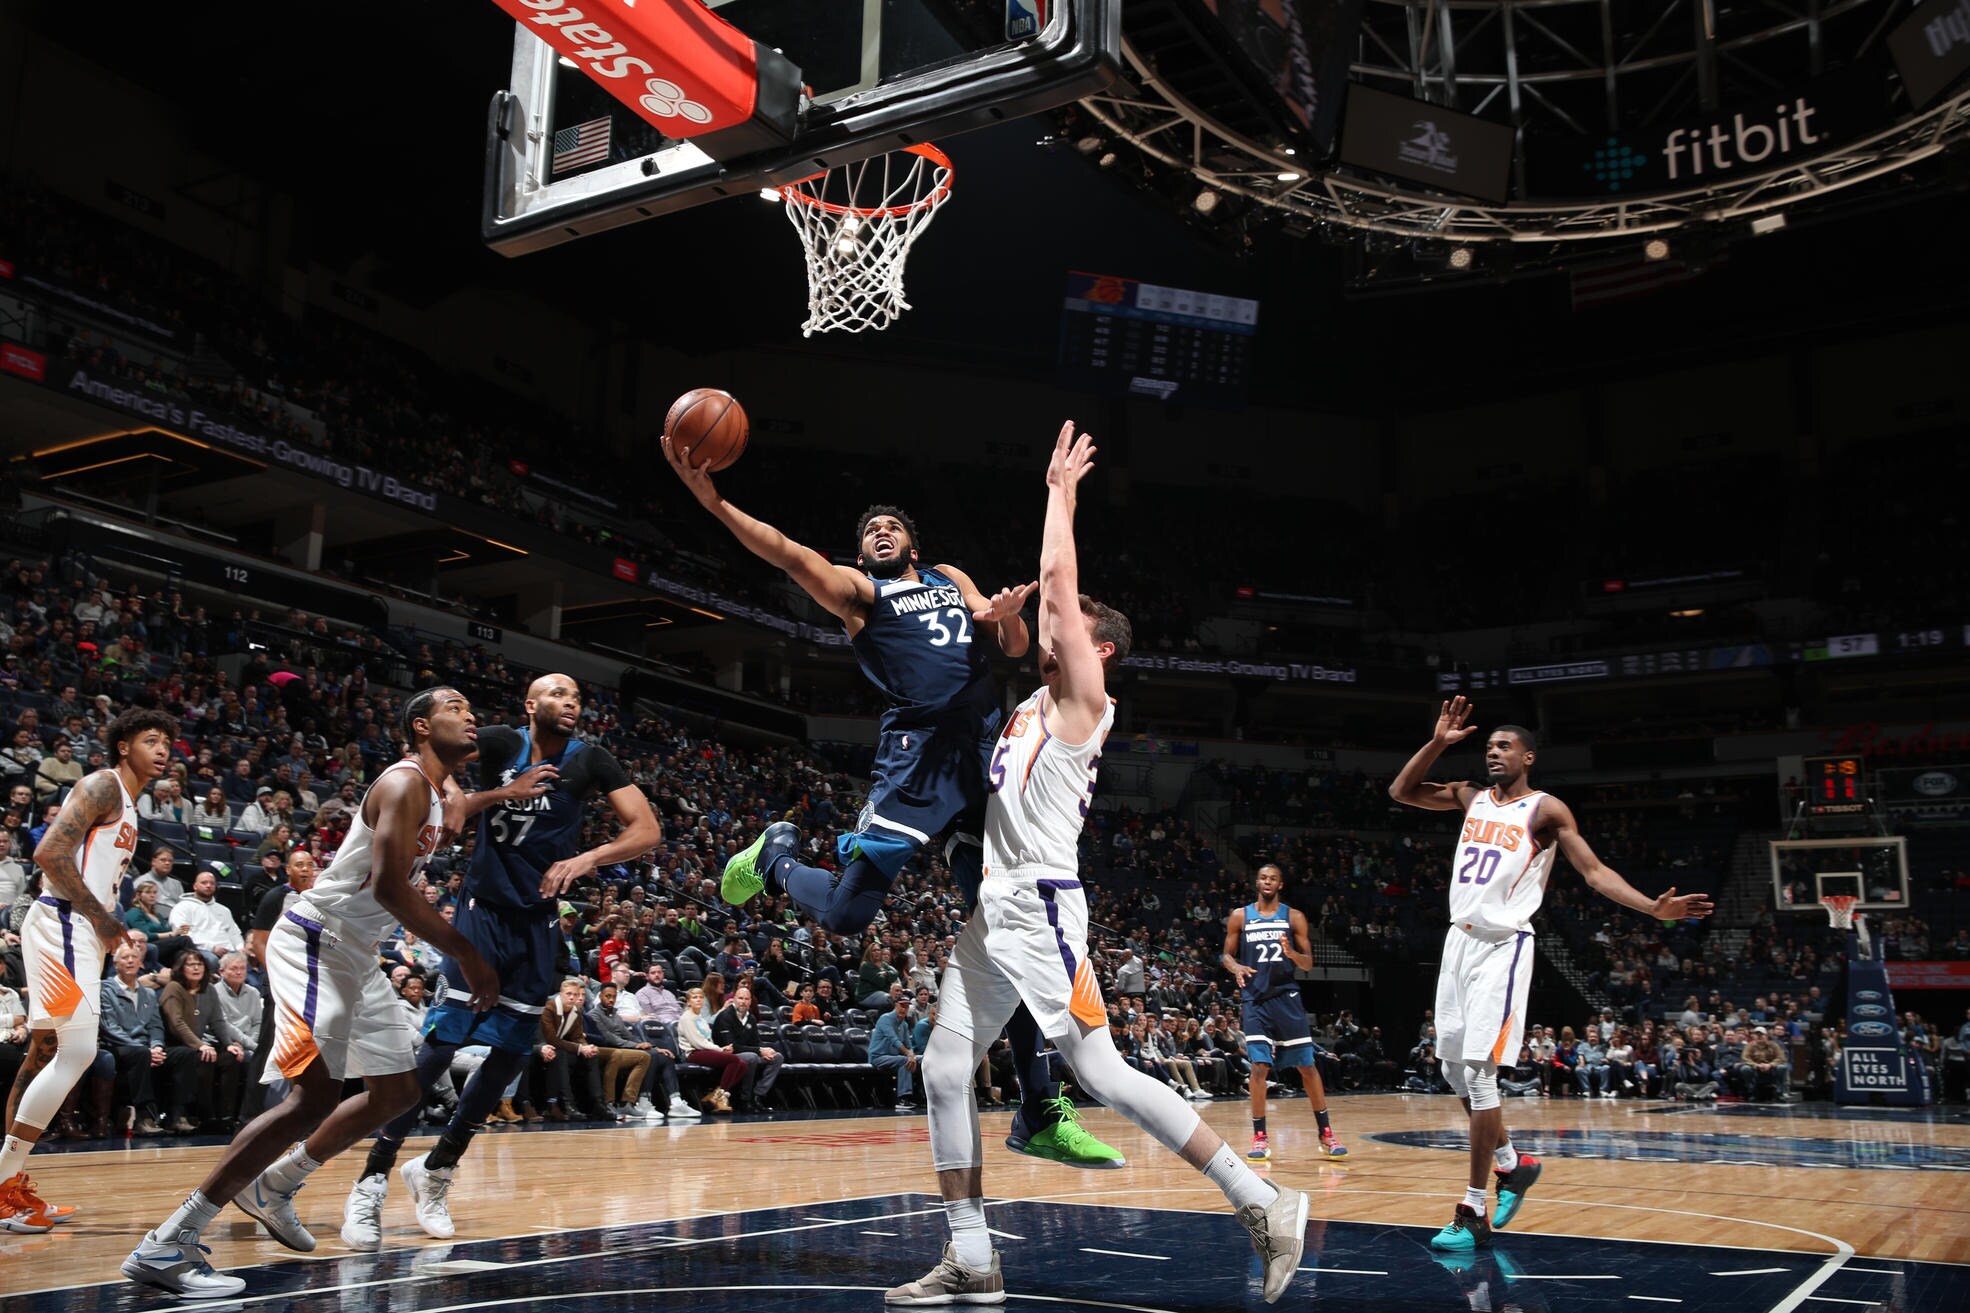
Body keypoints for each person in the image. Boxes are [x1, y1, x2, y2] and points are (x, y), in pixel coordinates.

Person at [890, 424, 1308, 1307]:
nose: (1055, 621)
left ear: (1100, 647)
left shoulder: (1085, 698)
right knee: (944, 1069)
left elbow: (1055, 581)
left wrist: (1060, 492)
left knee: (1102, 1072)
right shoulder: (1034, 699)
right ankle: (972, 1254)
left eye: (1070, 622)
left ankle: (1263, 1199)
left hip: (1041, 905)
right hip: (998, 910)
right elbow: (1034, 610)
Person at [668, 433, 1121, 1171]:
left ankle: (1040, 1109)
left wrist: (1008, 614)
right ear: (860, 552)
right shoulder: (860, 594)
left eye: (892, 526)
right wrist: (713, 500)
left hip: (980, 757)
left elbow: (1008, 644)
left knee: (1011, 935)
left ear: (914, 542)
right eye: (869, 530)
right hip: (915, 761)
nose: (880, 533)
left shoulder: (947, 576)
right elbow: (788, 553)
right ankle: (777, 858)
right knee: (849, 916)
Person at [120, 688, 499, 1298]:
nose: (471, 714)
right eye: (456, 707)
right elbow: (391, 890)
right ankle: (167, 1243)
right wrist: (468, 955)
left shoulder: (433, 789)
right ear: (421, 726)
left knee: (399, 1092)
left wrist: (490, 793)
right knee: (311, 1098)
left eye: (471, 708)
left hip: (357, 952)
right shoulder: (404, 784)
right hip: (317, 942)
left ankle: (275, 1183)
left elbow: (453, 804)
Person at [1388, 698, 1714, 1252]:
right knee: (1450, 1069)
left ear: (1528, 757)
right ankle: (1513, 1163)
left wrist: (1651, 908)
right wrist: (1439, 743)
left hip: (1503, 945)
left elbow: (1594, 872)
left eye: (1504, 746)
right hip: (1458, 940)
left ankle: (1473, 1208)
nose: (1493, 753)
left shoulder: (1545, 810)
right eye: (1489, 746)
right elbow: (1402, 791)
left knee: (1480, 1073)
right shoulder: (1470, 796)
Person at [355, 672, 660, 1241]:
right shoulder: (496, 741)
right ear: (530, 704)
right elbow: (435, 766)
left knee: (511, 1053)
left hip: (537, 918)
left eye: (577, 696)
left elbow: (646, 829)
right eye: (558, 694)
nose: (570, 703)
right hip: (482, 909)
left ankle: (438, 1169)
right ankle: (373, 1176)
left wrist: (587, 859)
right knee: (441, 1044)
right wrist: (467, 793)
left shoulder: (591, 759)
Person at [1, 708, 174, 1234]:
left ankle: (9, 1184)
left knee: (46, 1051)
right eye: (151, 740)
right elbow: (49, 852)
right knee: (77, 1052)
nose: (162, 750)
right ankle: (1, 1182)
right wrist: (101, 917)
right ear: (123, 746)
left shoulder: (131, 805)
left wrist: (105, 920)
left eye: (167, 743)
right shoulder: (102, 785)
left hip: (79, 926)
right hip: (64, 921)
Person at [1222, 863, 1348, 1162]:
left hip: (1286, 999)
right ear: (1257, 882)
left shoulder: (1294, 917)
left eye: (1273, 878)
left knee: (1307, 1066)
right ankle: (1259, 1137)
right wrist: (1236, 967)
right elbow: (1226, 954)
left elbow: (1308, 964)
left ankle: (1325, 1132)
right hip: (1255, 1000)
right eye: (1263, 877)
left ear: (1280, 885)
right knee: (1259, 1067)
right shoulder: (1240, 916)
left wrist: (1292, 954)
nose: (1267, 882)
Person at [869, 989, 920, 1110]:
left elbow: (909, 1045)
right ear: (895, 1005)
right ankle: (903, 1099)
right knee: (904, 1060)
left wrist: (912, 1055)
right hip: (878, 1057)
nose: (904, 1009)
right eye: (901, 1005)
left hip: (894, 1058)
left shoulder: (904, 1024)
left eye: (906, 1006)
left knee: (921, 1060)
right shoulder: (885, 1019)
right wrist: (909, 1055)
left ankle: (921, 1096)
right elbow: (894, 1040)